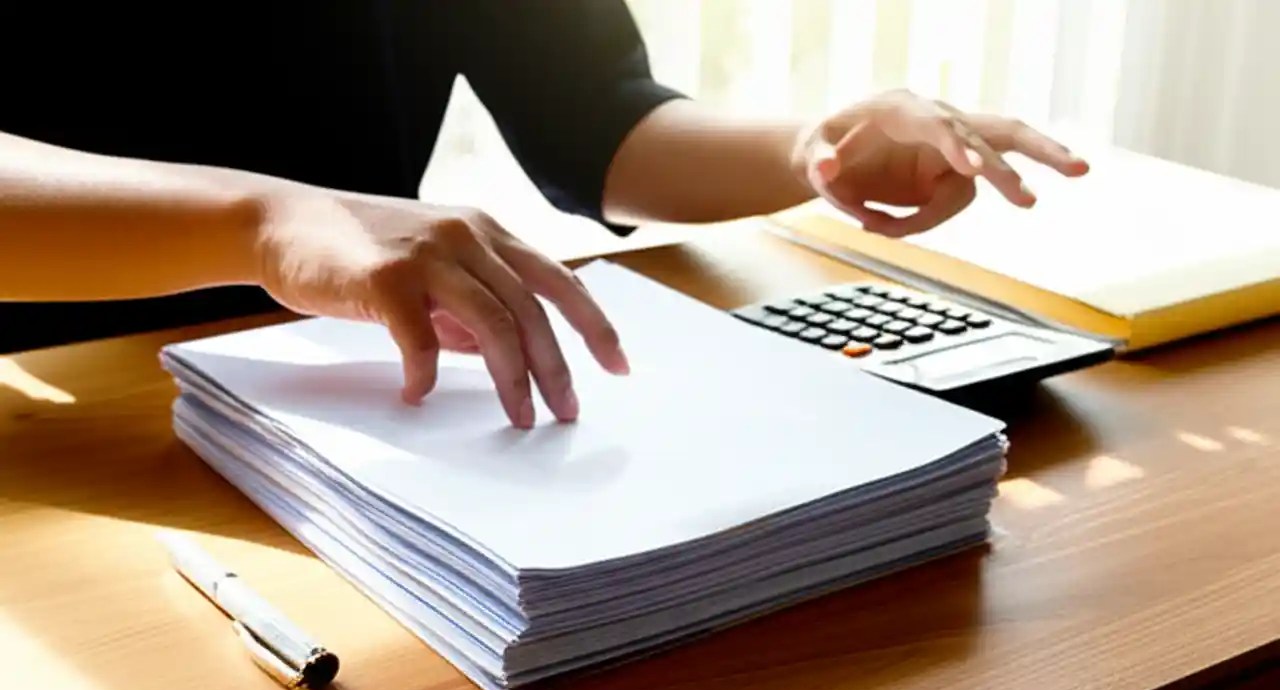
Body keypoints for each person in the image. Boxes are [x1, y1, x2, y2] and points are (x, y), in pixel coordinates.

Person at [0, 2, 1086, 428]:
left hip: (376, 396)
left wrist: (812, 150)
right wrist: (272, 220)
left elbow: (599, 127)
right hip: (80, 418)